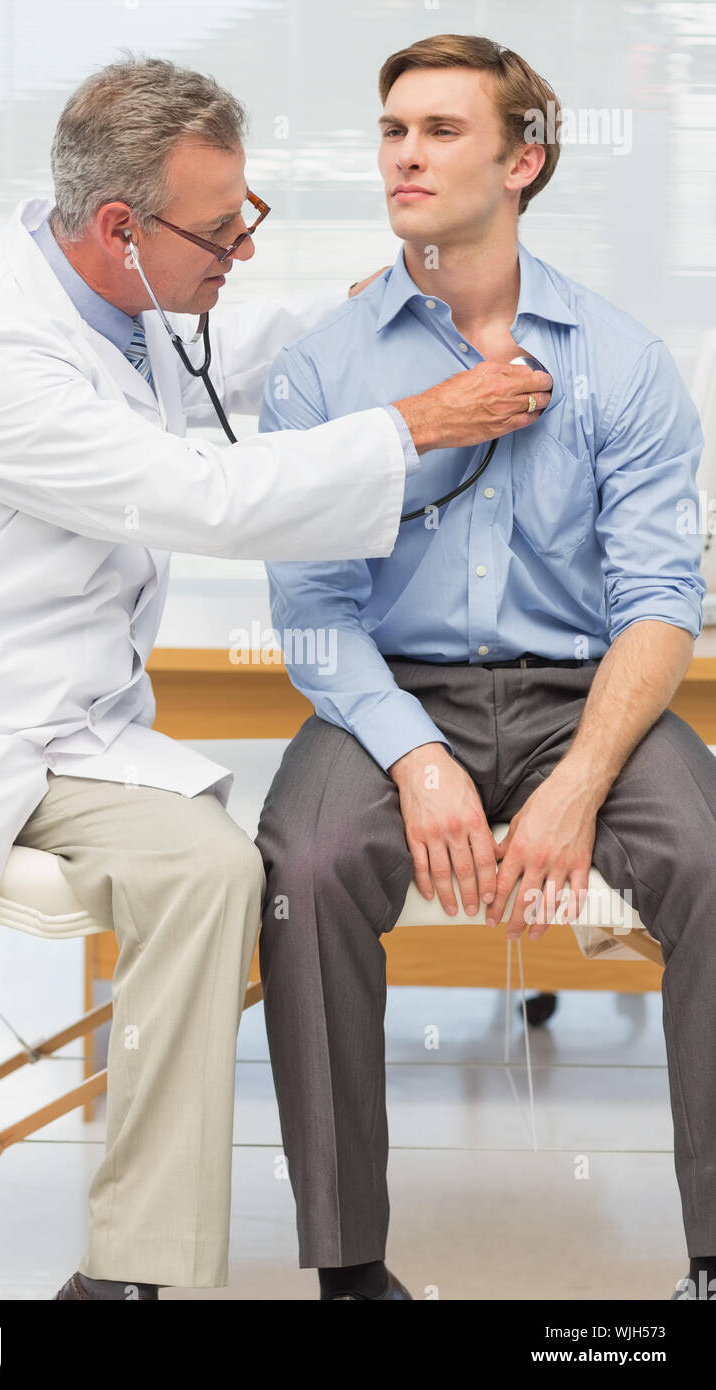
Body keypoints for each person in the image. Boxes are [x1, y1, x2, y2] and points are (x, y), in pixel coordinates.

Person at [0, 53, 551, 1302]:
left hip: (75, 732)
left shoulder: (128, 306)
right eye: (220, 229)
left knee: (216, 871)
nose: (237, 249)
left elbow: (256, 368)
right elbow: (201, 494)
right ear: (121, 229)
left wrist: (375, 310)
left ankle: (129, 1271)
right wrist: (417, 421)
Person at [256, 33, 714, 1302]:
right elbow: (307, 607)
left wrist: (573, 785)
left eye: (441, 130)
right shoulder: (327, 366)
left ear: (524, 161)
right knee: (304, 858)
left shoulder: (619, 361)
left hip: (586, 692)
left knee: (710, 854)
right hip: (388, 687)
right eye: (393, 128)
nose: (405, 152)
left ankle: (713, 1261)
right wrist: (409, 750)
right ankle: (349, 1270)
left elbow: (662, 602)